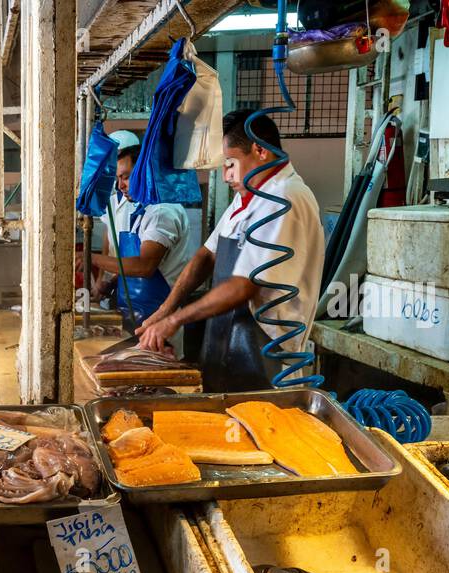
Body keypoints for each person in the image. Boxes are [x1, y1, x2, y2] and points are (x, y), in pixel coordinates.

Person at [136, 110, 324, 392]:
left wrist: (175, 320)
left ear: (260, 151)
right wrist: (165, 309)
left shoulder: (284, 198)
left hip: (268, 361)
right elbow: (206, 255)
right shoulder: (247, 198)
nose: (225, 176)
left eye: (230, 163)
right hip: (231, 350)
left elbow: (243, 286)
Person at [86, 145, 193, 332]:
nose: (120, 186)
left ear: (146, 173)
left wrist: (91, 258)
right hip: (135, 316)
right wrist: (111, 283)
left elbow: (144, 267)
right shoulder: (142, 211)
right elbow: (132, 264)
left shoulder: (163, 212)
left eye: (126, 177)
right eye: (118, 179)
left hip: (159, 322)